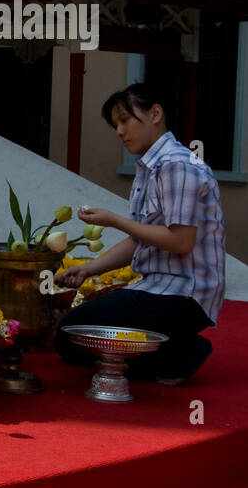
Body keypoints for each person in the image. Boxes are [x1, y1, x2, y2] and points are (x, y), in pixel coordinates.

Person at [55, 83, 225, 385]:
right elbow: (139, 240)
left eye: (125, 120)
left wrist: (114, 220)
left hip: (185, 294)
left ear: (155, 113)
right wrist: (88, 270)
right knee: (71, 337)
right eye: (115, 125)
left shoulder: (177, 166)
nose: (120, 131)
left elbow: (181, 242)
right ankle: (168, 347)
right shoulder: (151, 168)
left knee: (71, 332)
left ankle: (181, 350)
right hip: (156, 286)